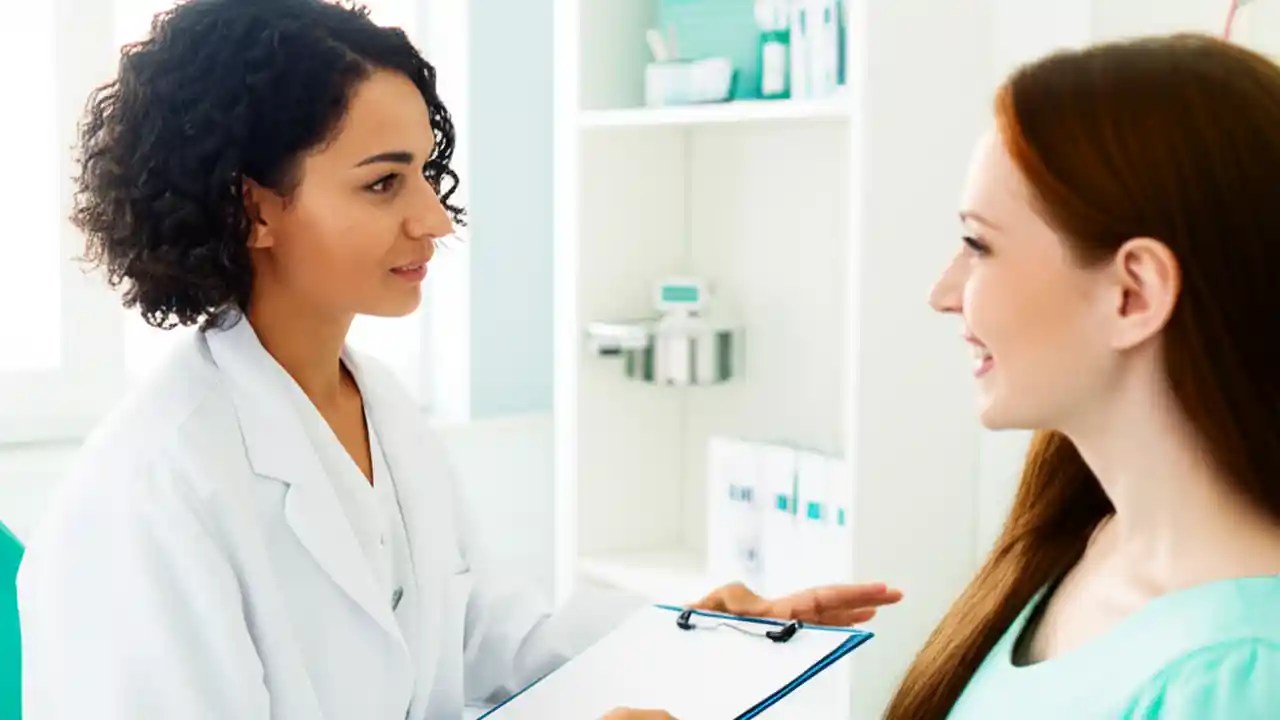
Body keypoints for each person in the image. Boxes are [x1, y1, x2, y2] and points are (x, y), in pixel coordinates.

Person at [14, 0, 903, 717]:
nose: (433, 219)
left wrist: (695, 641)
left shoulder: (379, 408)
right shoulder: (147, 494)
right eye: (381, 182)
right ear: (255, 209)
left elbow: (479, 640)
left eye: (427, 175)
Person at [611, 32, 1280, 720]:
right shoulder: (1087, 546)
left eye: (977, 244)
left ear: (1132, 294)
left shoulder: (1239, 679)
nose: (943, 291)